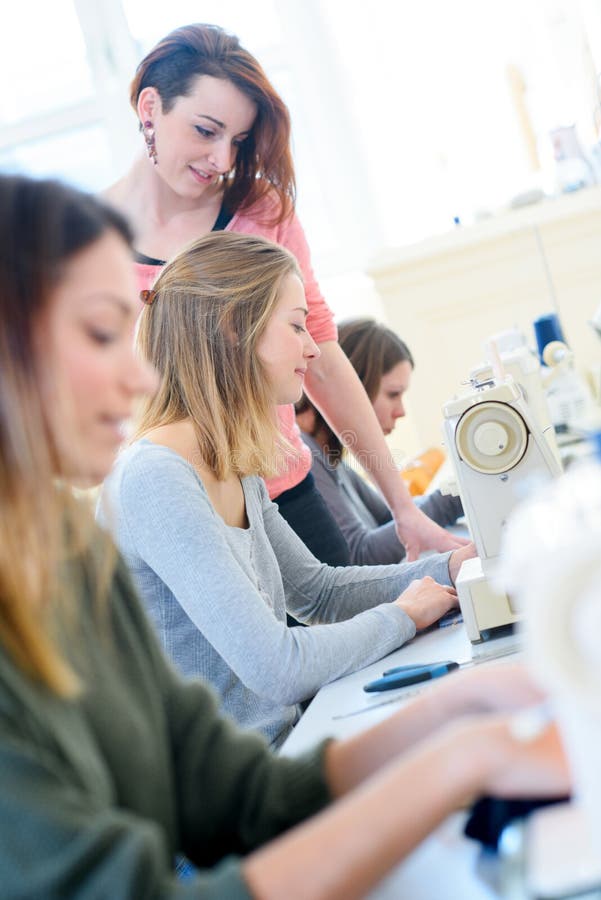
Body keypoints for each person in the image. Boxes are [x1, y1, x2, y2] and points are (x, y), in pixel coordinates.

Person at [0, 174, 569, 897]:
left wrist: (457, 714)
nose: (138, 372)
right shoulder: (147, 482)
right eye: (99, 333)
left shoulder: (74, 558)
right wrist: (456, 757)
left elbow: (238, 794)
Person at [104, 21, 469, 565]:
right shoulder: (81, 247)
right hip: (194, 516)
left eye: (239, 140)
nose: (223, 160)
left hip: (287, 492)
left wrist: (403, 508)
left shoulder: (261, 212)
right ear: (150, 107)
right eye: (206, 131)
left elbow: (321, 354)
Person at [98, 231, 473, 747]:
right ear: (235, 328)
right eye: (296, 326)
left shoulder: (234, 463)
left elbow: (317, 591)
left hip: (284, 746)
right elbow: (277, 667)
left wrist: (447, 569)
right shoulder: (155, 477)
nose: (313, 346)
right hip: (229, 797)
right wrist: (404, 615)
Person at [295, 317, 464, 566]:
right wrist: (456, 495)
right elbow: (359, 554)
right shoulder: (304, 455)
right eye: (393, 394)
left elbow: (389, 516)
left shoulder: (329, 454)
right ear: (356, 387)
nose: (401, 411)